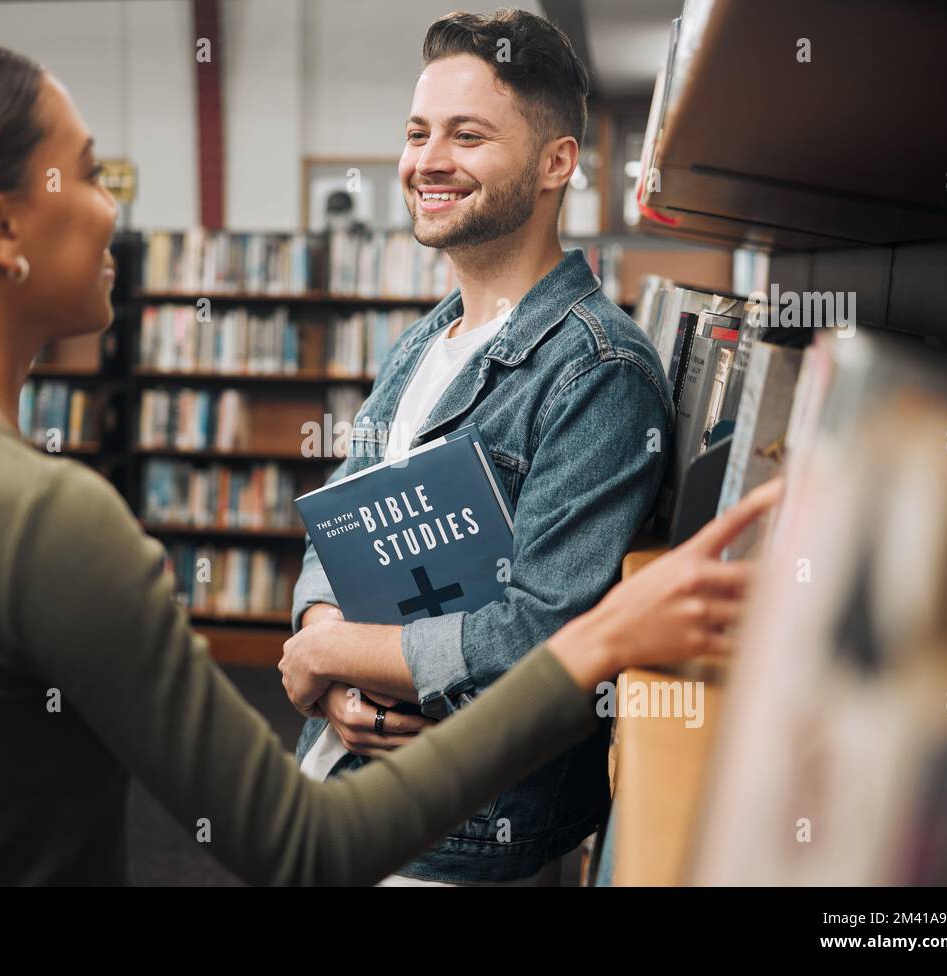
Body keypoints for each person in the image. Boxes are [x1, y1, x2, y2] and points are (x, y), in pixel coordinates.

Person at [0, 34, 779, 886]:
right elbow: (299, 849)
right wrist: (597, 644)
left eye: (465, 132)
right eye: (91, 173)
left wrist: (329, 647)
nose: (113, 206)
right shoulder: (44, 518)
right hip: (370, 796)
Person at [285, 9, 671, 883]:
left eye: (468, 135)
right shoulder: (423, 341)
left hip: (466, 831)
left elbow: (542, 632)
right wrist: (326, 647)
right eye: (418, 132)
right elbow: (336, 521)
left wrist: (327, 655)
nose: (427, 161)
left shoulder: (600, 372)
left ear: (555, 162)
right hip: (341, 779)